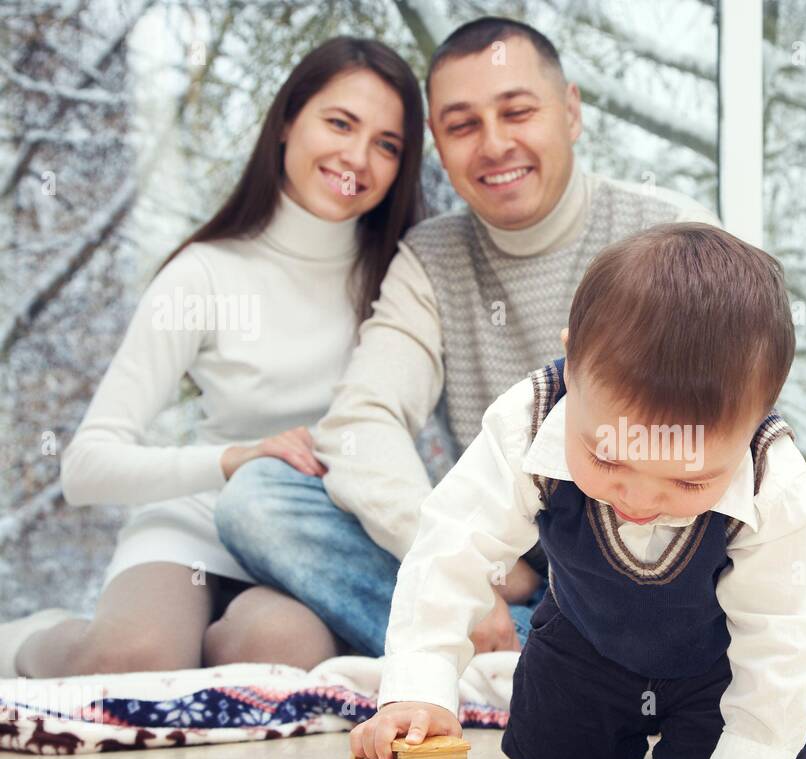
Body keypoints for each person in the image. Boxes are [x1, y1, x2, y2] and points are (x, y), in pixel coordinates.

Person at [214, 16, 717, 660]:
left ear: (570, 113)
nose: (495, 144)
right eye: (463, 125)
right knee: (259, 500)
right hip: (500, 577)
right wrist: (464, 573)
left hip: (637, 578)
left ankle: (506, 663)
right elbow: (361, 421)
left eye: (517, 111)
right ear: (438, 145)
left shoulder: (673, 234)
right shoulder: (431, 259)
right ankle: (511, 659)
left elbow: (714, 443)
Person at [350, 224, 806, 759]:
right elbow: (452, 547)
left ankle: (720, 752)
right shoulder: (528, 418)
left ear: (758, 414)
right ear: (574, 363)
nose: (641, 499)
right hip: (583, 644)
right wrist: (418, 688)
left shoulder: (773, 474)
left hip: (716, 664)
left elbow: (784, 628)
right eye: (607, 459)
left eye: (689, 484)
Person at [0, 38, 427, 679]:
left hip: (309, 536)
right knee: (133, 657)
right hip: (196, 522)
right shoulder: (203, 272)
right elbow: (85, 466)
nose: (357, 157)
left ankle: (196, 651)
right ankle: (27, 644)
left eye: (387, 145)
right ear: (286, 122)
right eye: (339, 123)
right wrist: (234, 459)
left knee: (284, 652)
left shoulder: (403, 279)